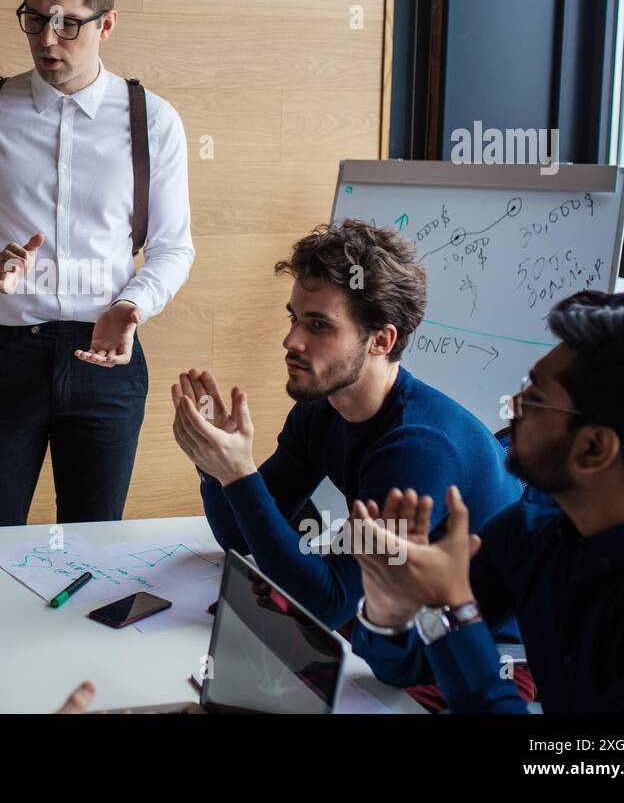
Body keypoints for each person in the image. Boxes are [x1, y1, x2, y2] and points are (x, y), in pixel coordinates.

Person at [0, 0, 194, 527]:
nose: (48, 38)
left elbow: (173, 247)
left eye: (69, 23)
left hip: (107, 359)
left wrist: (132, 303)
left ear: (107, 22)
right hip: (3, 359)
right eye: (36, 19)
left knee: (96, 553)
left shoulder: (154, 121)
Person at [350, 290, 624, 712]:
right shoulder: (534, 526)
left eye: (533, 397)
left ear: (594, 448)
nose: (512, 407)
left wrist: (454, 608)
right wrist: (389, 608)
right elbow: (409, 667)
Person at [170, 221, 522, 637]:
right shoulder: (321, 411)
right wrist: (215, 465)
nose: (291, 340)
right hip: (405, 626)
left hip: (479, 652)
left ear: (381, 341)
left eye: (318, 325)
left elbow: (329, 604)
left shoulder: (419, 448)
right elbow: (239, 539)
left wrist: (238, 474)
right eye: (294, 318)